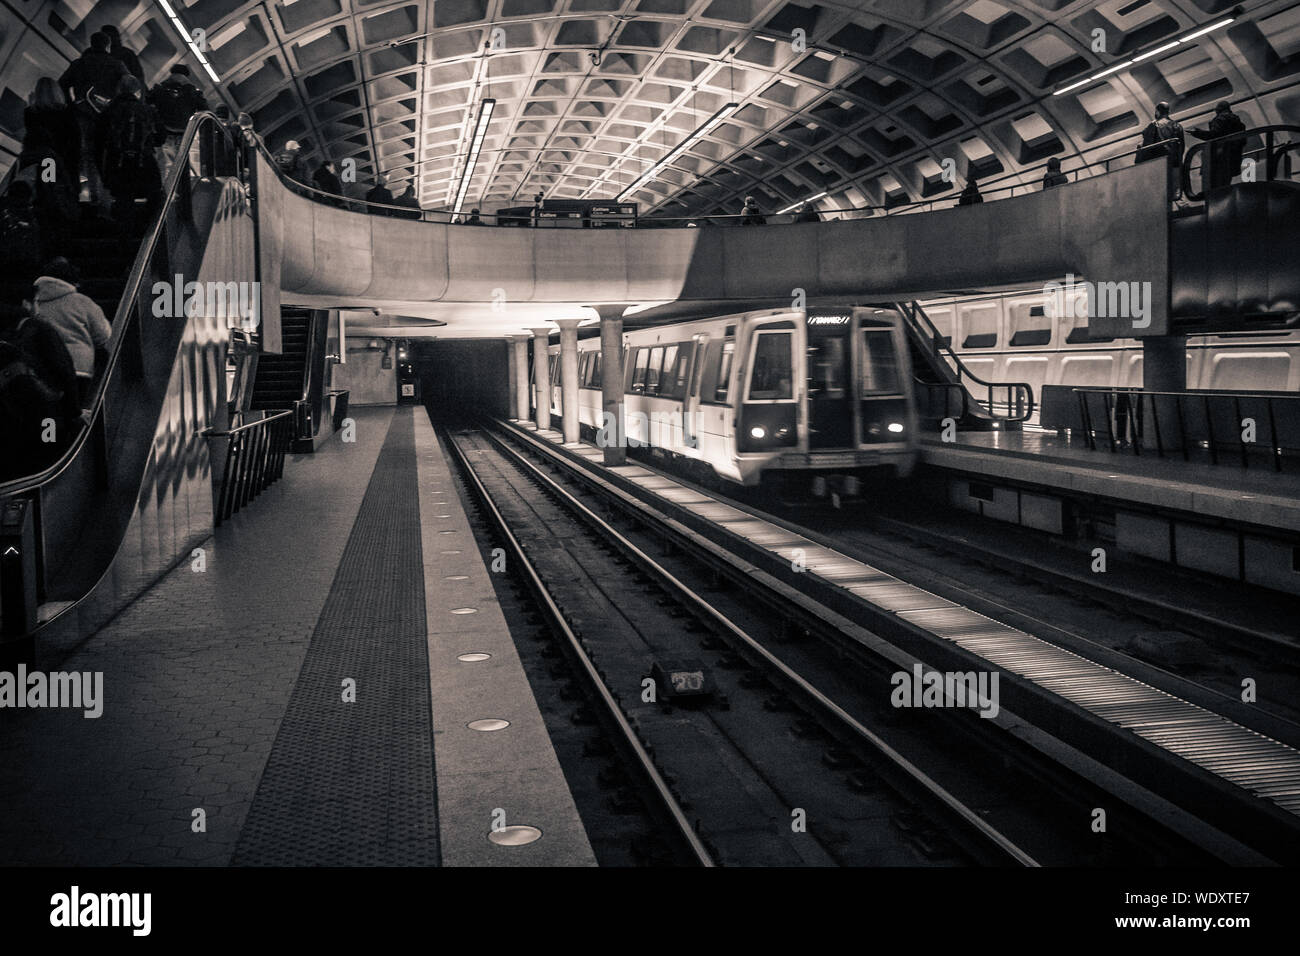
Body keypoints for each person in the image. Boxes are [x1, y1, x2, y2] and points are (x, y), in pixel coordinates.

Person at [0, 301, 80, 481]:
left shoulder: (9, 341)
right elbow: (63, 370)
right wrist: (74, 410)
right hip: (46, 412)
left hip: (18, 420)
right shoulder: (41, 330)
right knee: (49, 451)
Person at [58, 31, 127, 213]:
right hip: (109, 116)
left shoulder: (79, 64)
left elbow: (62, 83)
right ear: (107, 45)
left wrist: (71, 102)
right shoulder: (116, 65)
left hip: (83, 114)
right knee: (108, 153)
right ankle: (108, 196)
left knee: (87, 153)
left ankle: (92, 196)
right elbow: (129, 86)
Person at [30, 256, 111, 405]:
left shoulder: (34, 305)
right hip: (80, 368)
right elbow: (102, 336)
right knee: (78, 410)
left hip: (44, 368)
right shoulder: (82, 302)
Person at [18, 78, 80, 244]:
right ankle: (63, 234)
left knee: (45, 195)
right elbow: (74, 141)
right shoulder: (65, 112)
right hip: (59, 162)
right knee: (57, 194)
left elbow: (31, 137)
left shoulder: (31, 113)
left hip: (41, 161)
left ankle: (46, 233)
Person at [95, 74, 162, 223]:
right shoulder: (147, 110)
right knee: (156, 194)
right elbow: (160, 137)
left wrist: (102, 169)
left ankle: (124, 237)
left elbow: (97, 139)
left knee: (124, 200)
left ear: (118, 90)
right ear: (137, 91)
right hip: (144, 162)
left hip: (117, 163)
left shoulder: (108, 112)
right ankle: (148, 227)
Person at [148, 64, 208, 182]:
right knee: (184, 166)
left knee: (164, 167)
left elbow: (147, 104)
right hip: (185, 135)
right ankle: (184, 193)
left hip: (163, 135)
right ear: (186, 75)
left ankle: (165, 194)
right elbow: (205, 110)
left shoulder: (160, 88)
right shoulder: (193, 91)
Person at [1190, 101, 1247, 192]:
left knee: (1215, 187)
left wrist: (1197, 132)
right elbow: (1243, 141)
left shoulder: (1220, 119)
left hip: (1218, 159)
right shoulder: (1238, 122)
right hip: (1232, 159)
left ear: (1220, 109)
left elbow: (1214, 136)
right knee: (1225, 185)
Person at [1137, 101, 1185, 202]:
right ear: (1168, 111)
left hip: (1160, 163)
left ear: (1157, 111)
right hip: (1175, 162)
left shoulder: (1154, 125)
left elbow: (1147, 147)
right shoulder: (1177, 125)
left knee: (1159, 192)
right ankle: (1183, 207)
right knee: (1176, 190)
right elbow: (1182, 146)